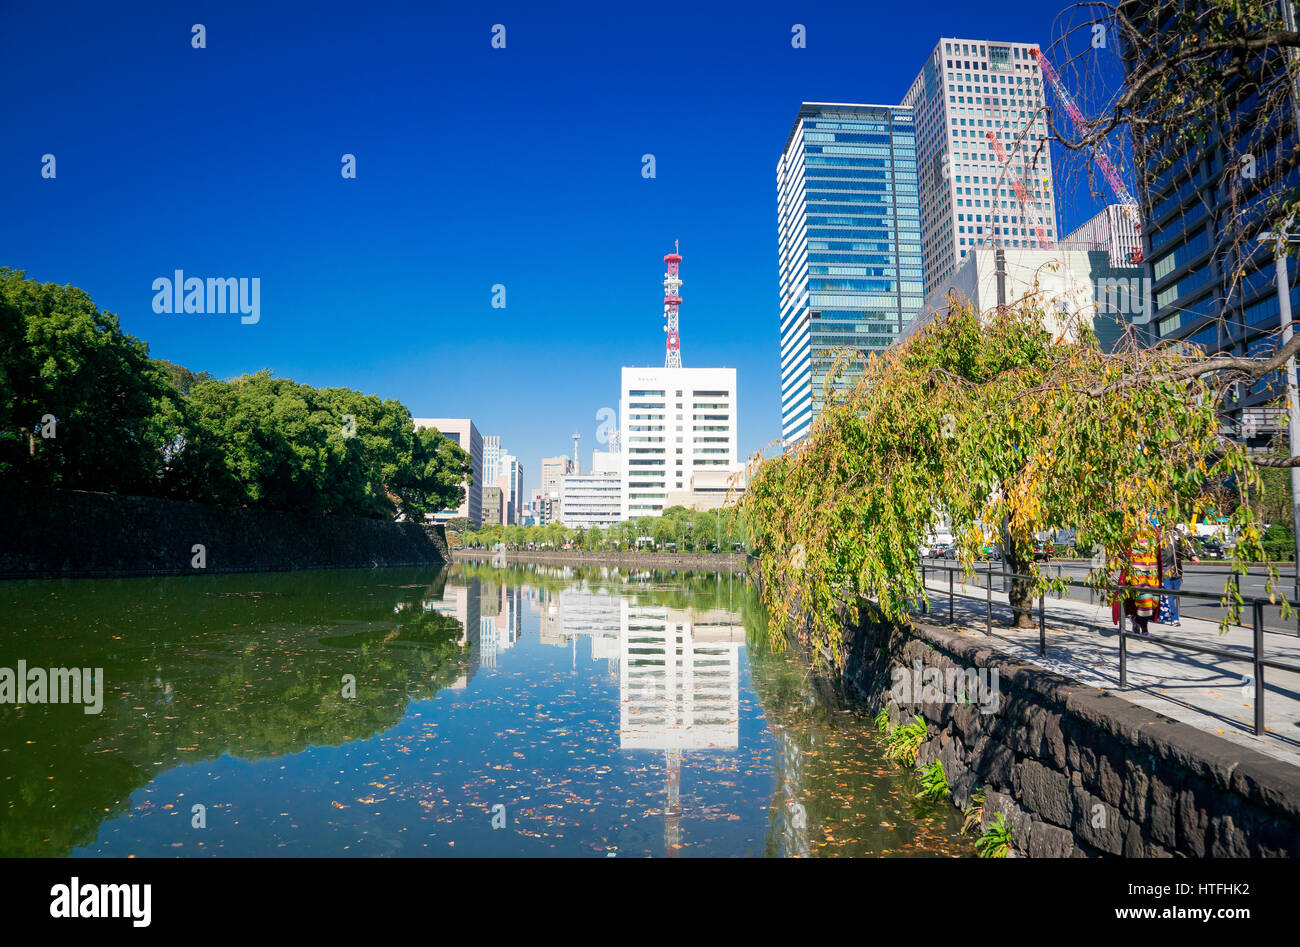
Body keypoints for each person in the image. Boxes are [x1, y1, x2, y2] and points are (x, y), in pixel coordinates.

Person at [1111, 525, 1162, 636]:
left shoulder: (1153, 530)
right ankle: (1144, 630)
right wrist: (1112, 567)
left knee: (1154, 601)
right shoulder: (1130, 529)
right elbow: (1121, 550)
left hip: (1152, 572)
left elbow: (1159, 550)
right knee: (1145, 600)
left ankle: (1136, 619)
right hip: (1137, 572)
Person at [1158, 525, 1200, 626]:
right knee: (1170, 595)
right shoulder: (1158, 533)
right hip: (1164, 570)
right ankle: (1174, 618)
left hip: (1177, 570)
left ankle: (1162, 615)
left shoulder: (1178, 533)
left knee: (1174, 594)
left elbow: (1186, 546)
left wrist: (1192, 556)